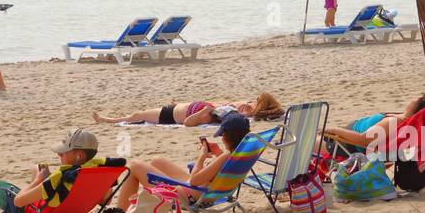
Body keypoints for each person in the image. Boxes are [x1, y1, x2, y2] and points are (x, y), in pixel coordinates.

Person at [113, 113, 253, 209]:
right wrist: (217, 153)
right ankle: (142, 205)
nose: (221, 138)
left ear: (228, 136)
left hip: (189, 196)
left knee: (134, 166)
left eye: (223, 135)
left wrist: (202, 157)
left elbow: (194, 180)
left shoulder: (226, 156)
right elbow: (223, 170)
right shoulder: (239, 154)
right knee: (157, 161)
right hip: (200, 191)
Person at [320, 92, 425, 152]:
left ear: (415, 109)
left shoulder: (393, 123)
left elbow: (363, 140)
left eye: (416, 99)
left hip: (345, 144)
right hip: (348, 137)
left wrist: (334, 129)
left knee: (307, 143)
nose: (413, 98)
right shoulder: (404, 122)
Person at [92, 92, 284, 126]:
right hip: (183, 106)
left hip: (171, 115)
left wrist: (202, 112)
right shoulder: (246, 106)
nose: (250, 101)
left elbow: (187, 123)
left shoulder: (231, 115)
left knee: (138, 115)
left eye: (255, 101)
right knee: (142, 113)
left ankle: (110, 120)